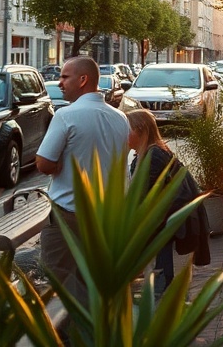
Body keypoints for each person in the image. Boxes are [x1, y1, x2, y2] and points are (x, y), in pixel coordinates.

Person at [36, 56, 131, 300]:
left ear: (83, 80)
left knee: (62, 282)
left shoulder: (66, 115)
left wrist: (59, 164)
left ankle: (75, 322)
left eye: (64, 77)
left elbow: (43, 163)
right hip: (110, 216)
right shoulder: (119, 117)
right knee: (100, 281)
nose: (59, 82)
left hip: (70, 217)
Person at [126, 109, 183, 292]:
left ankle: (160, 290)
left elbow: (145, 196)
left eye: (127, 130)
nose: (123, 135)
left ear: (140, 130)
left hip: (159, 222)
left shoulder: (153, 155)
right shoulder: (150, 153)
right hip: (160, 221)